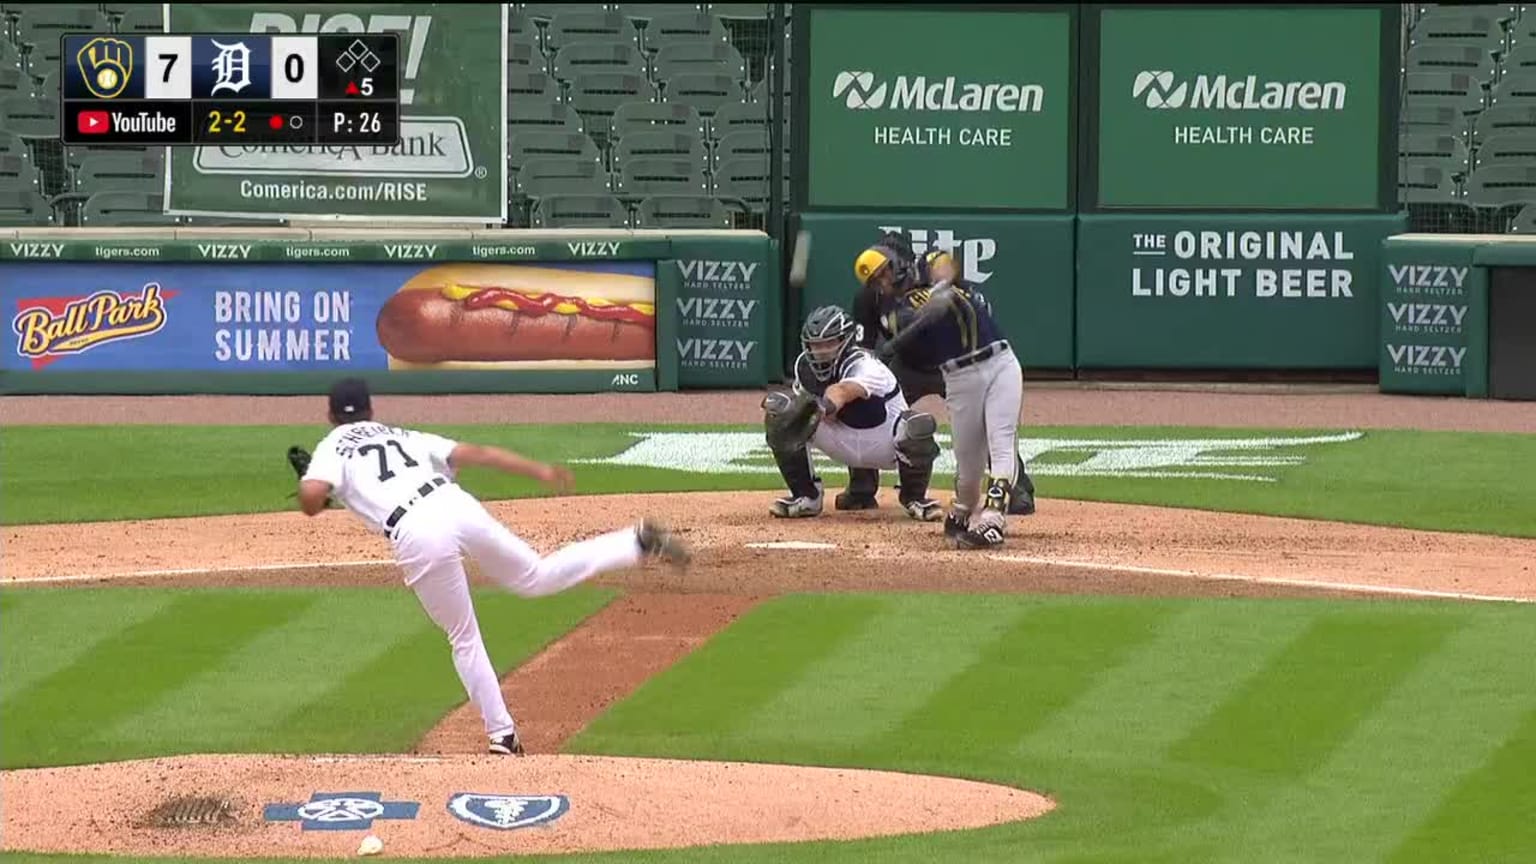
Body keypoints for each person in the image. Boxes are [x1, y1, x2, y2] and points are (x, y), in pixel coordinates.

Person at [288, 378, 690, 756]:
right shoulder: (401, 435)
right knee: (537, 575)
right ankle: (634, 542)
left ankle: (503, 734)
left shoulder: (331, 446)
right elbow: (475, 454)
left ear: (330, 416)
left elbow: (310, 497)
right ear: (371, 410)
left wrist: (315, 492)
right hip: (456, 504)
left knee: (464, 635)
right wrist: (538, 470)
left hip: (416, 530)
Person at [848, 232, 1037, 517]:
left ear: (899, 262)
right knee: (868, 403)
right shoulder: (870, 297)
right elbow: (865, 346)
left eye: (884, 272)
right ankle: (862, 489)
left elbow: (944, 264)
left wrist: (942, 285)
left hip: (952, 364)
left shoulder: (926, 265)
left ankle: (1019, 490)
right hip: (907, 365)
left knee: (989, 425)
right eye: (876, 279)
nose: (882, 282)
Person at [762, 305, 943, 522]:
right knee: (781, 414)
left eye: (829, 343)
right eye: (815, 345)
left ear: (846, 341)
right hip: (840, 439)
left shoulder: (866, 365)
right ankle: (806, 497)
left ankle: (914, 498)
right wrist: (794, 412)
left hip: (886, 444)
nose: (821, 351)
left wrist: (821, 408)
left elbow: (844, 391)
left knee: (916, 425)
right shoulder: (804, 368)